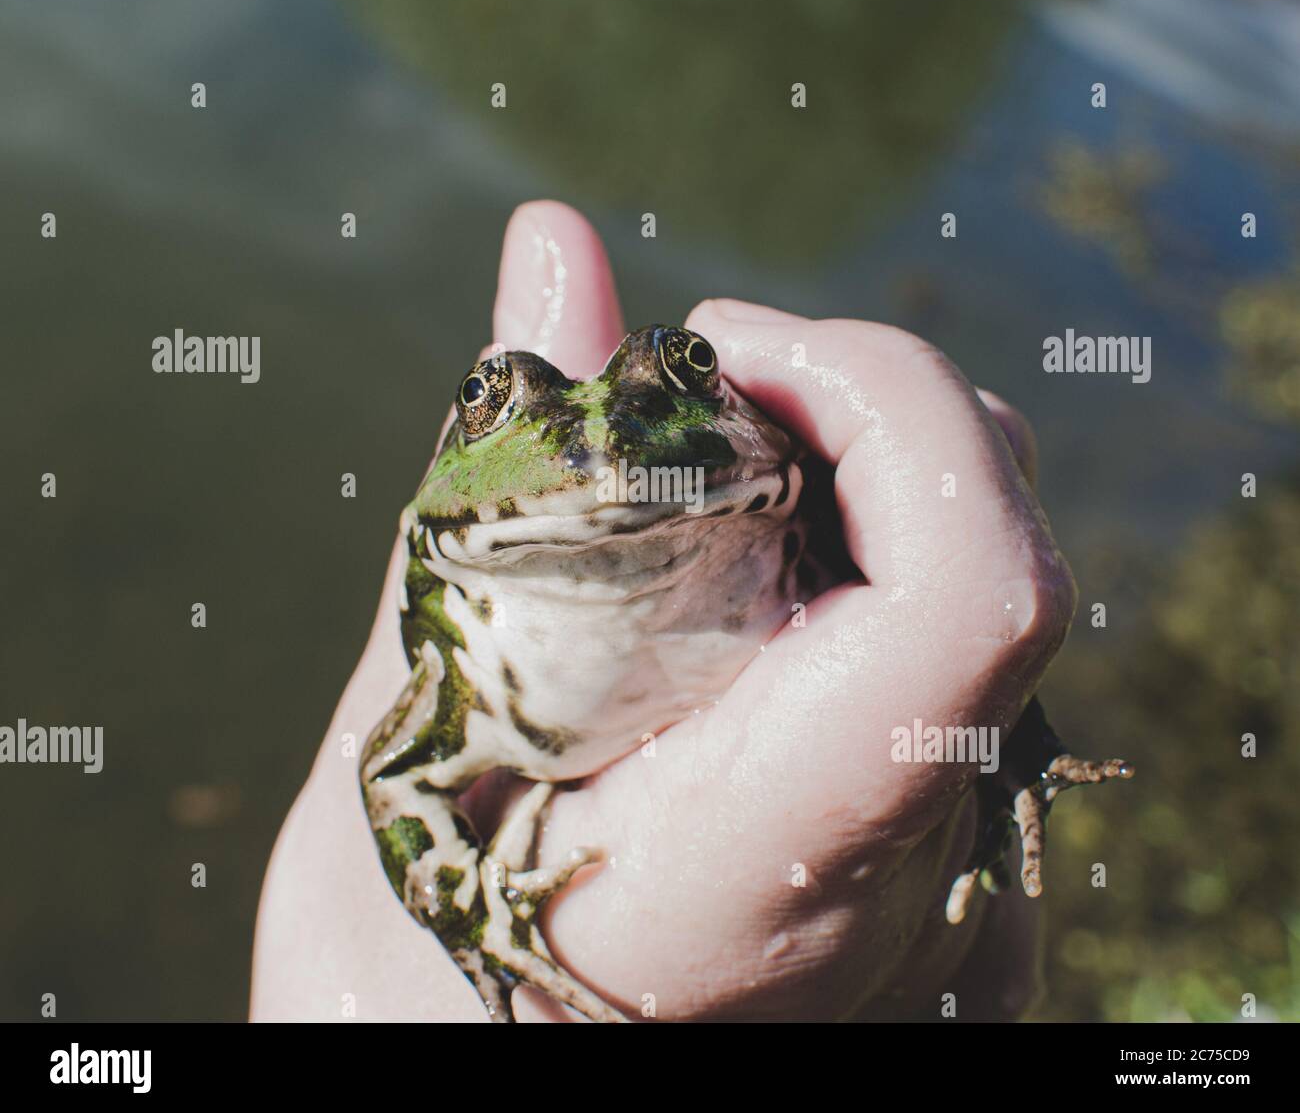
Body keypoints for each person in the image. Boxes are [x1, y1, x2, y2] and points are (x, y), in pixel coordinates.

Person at [251, 200, 1064, 1022]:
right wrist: (472, 951)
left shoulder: (811, 538)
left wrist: (1010, 741)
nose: (599, 446)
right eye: (485, 399)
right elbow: (395, 779)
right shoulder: (461, 671)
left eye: (689, 367)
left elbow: (953, 625)